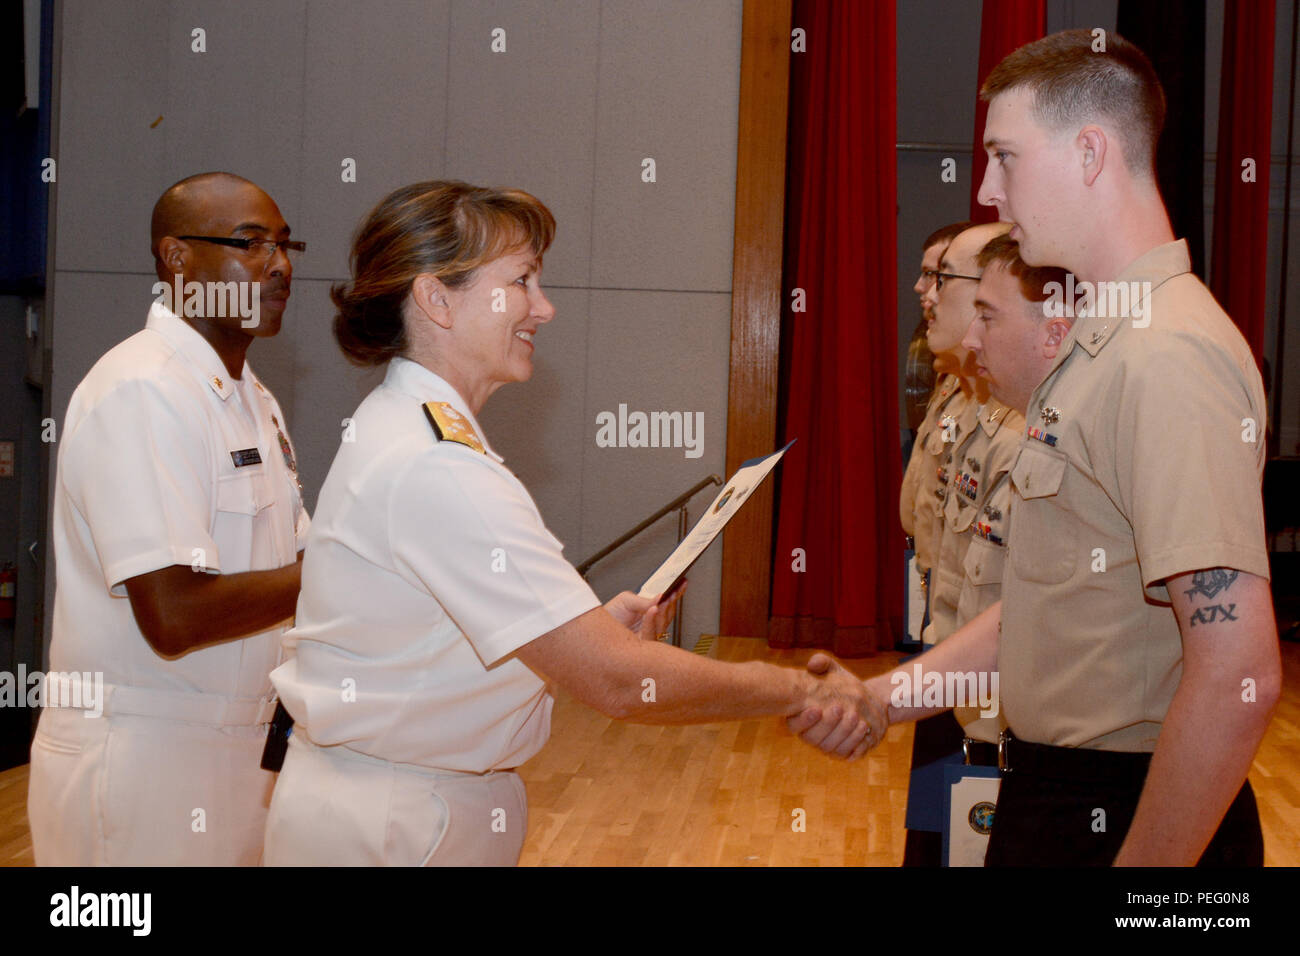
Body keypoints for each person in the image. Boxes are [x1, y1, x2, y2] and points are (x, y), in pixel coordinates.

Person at [263, 180, 882, 866]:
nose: (545, 308)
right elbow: (618, 681)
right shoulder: (439, 465)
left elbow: (436, 645)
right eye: (522, 281)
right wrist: (801, 688)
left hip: (399, 804)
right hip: (395, 825)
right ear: (437, 298)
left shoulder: (415, 431)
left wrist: (583, 634)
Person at [808, 29, 1280, 867]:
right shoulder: (1108, 345)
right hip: (1059, 794)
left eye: (1005, 156)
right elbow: (1044, 608)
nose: (987, 190)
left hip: (1129, 811)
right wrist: (888, 699)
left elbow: (1238, 676)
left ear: (1090, 153)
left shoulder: (1166, 354)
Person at [28, 172, 310, 865]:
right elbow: (174, 613)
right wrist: (347, 567)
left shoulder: (253, 399)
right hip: (143, 767)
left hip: (240, 760)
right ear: (177, 258)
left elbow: (291, 582)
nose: (279, 265)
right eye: (250, 243)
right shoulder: (143, 389)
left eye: (285, 243)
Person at [898, 221, 1023, 865]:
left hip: (990, 705)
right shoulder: (957, 394)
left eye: (940, 276)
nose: (923, 290)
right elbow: (923, 522)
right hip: (951, 669)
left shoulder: (1022, 422)